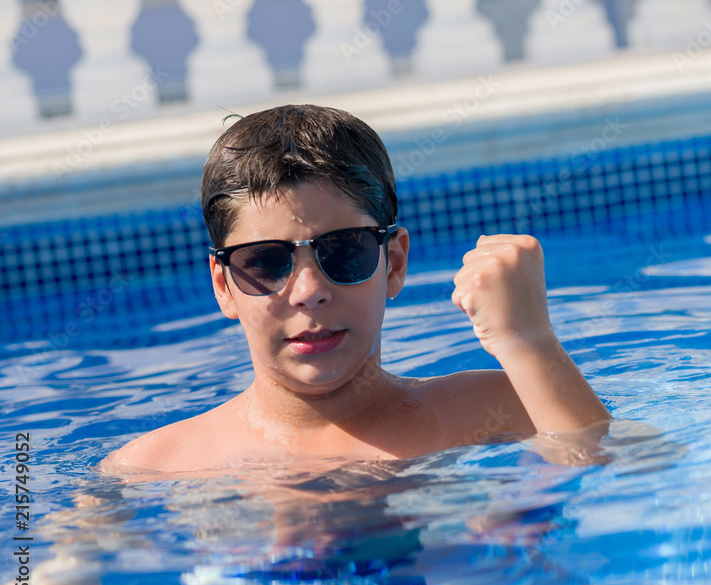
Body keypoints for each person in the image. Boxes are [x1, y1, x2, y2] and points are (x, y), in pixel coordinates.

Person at [100, 104, 611, 474]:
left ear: (393, 263)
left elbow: (618, 474)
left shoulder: (493, 410)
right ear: (224, 285)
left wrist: (528, 341)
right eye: (266, 262)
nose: (309, 291)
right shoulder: (150, 469)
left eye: (344, 250)